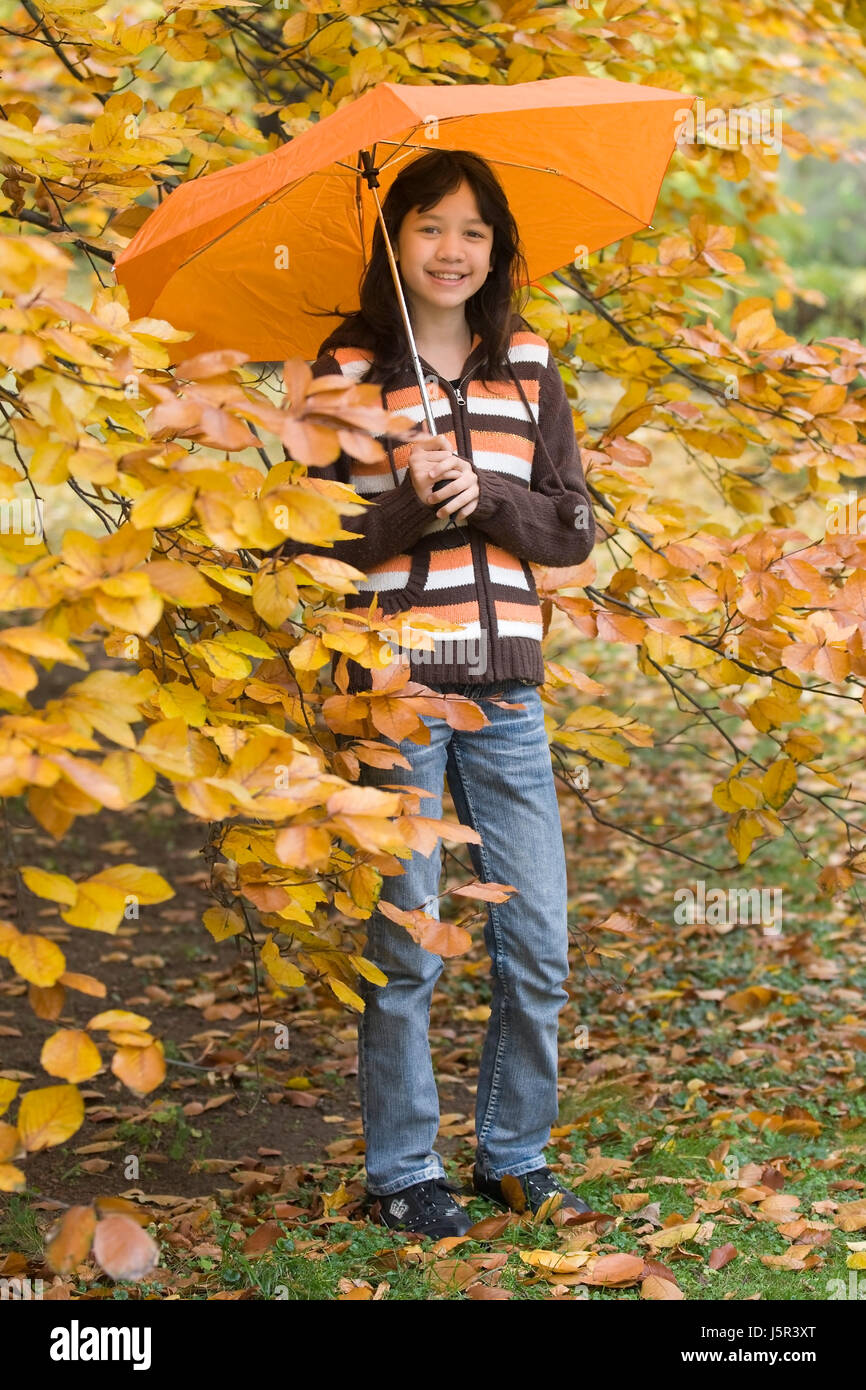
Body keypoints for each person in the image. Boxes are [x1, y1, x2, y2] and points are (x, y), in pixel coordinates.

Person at [271, 148, 597, 1238]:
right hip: (395, 687)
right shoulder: (350, 368)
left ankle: (512, 1154)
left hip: (505, 693)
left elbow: (571, 527)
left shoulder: (530, 365)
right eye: (427, 226)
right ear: (393, 238)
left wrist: (489, 492)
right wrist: (412, 506)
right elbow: (308, 539)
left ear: (496, 246)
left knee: (536, 940)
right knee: (405, 941)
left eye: (471, 229)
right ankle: (402, 1170)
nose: (450, 249)